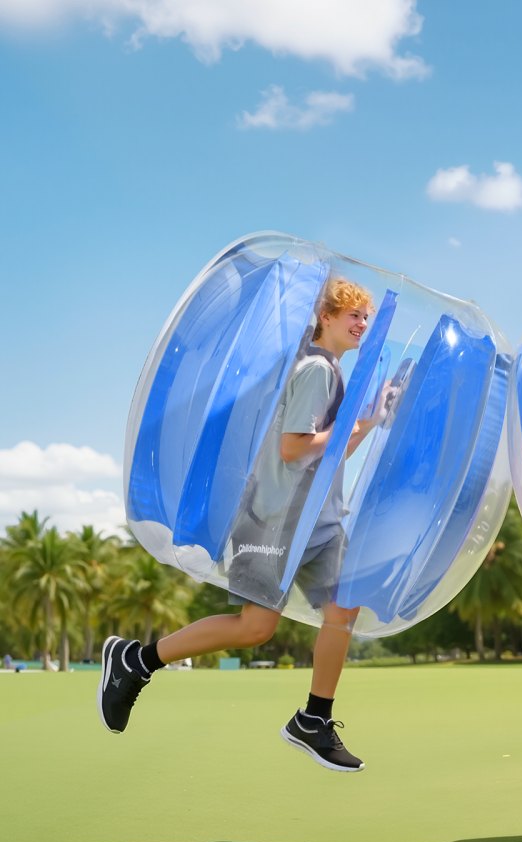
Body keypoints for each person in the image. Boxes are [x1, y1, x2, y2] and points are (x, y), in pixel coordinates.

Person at [99, 276, 386, 772]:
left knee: (343, 609)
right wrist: (360, 423)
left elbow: (331, 457)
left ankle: (314, 719)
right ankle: (137, 661)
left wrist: (369, 420)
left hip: (316, 522)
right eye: (353, 315)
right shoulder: (317, 368)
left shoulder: (333, 371)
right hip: (273, 522)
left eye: (367, 316)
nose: (362, 324)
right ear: (326, 318)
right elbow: (294, 450)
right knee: (256, 628)